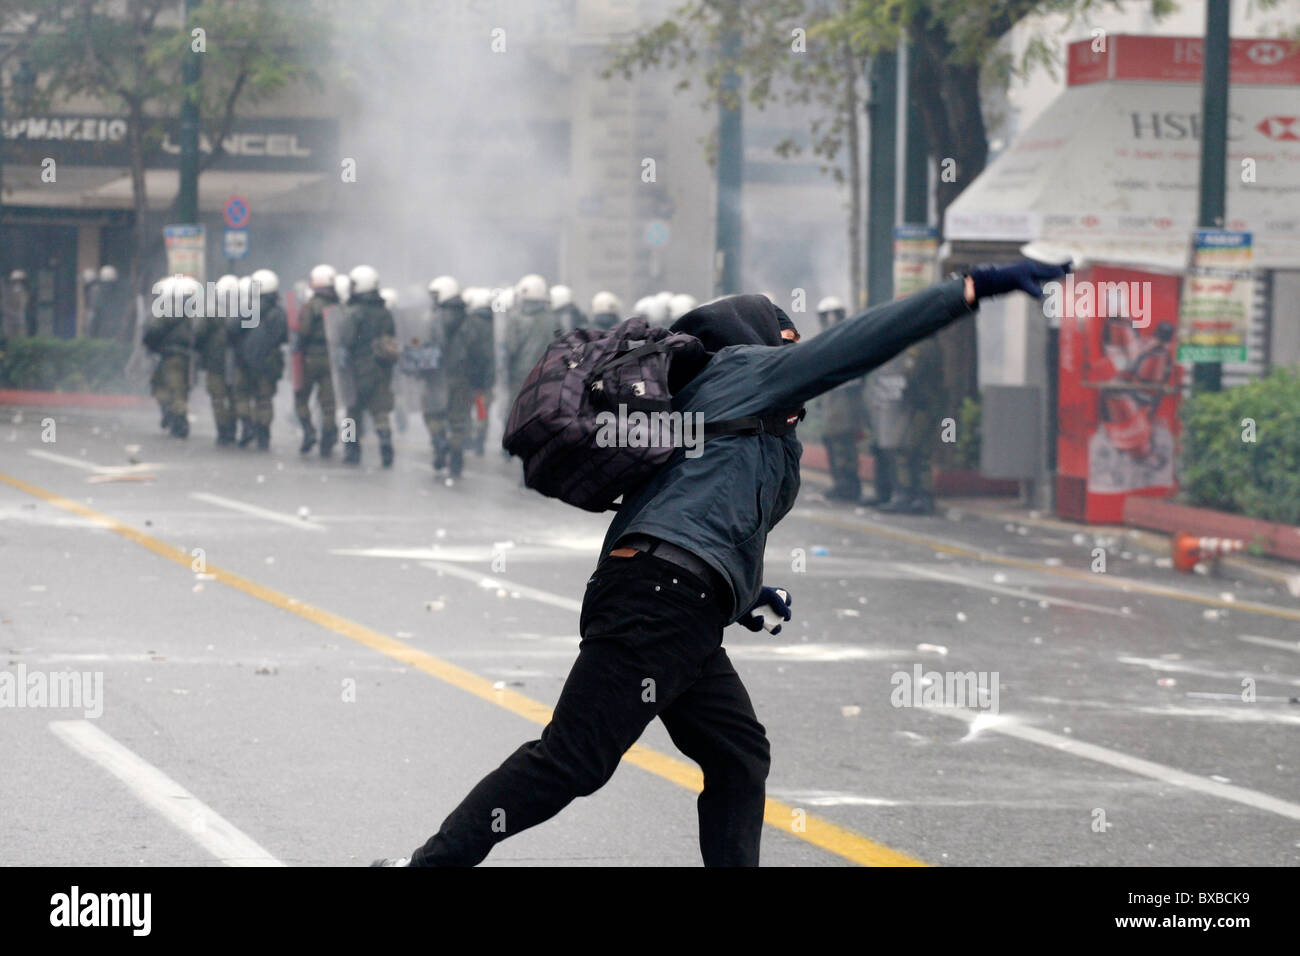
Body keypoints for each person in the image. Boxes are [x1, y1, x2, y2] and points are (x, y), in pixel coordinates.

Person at [372, 258, 1067, 868]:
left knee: (737, 754)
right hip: (658, 601)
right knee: (572, 760)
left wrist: (744, 591)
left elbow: (695, 509)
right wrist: (971, 289)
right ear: (758, 346)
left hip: (679, 602)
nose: (796, 361)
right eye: (786, 345)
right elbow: (859, 345)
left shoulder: (743, 422)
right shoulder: (741, 373)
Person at [424, 285, 494, 483]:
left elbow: (423, 347)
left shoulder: (433, 321)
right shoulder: (471, 322)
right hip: (462, 379)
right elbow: (479, 354)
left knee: (432, 414)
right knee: (459, 423)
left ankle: (439, 441)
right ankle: (456, 462)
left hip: (437, 377)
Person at [876, 335, 946, 515]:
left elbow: (910, 374)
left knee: (904, 450)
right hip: (926, 406)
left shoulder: (920, 346)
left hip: (919, 408)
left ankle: (905, 496)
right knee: (920, 453)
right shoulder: (932, 344)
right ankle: (921, 497)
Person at [340, 264, 398, 467]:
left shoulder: (354, 312)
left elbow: (346, 339)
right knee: (380, 410)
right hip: (382, 368)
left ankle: (351, 450)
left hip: (358, 368)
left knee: (352, 411)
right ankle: (385, 442)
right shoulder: (385, 312)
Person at [229, 269, 288, 451]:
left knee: (242, 395)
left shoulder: (249, 309)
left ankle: (247, 426)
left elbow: (232, 328)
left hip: (244, 361)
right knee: (264, 399)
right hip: (268, 363)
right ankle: (263, 434)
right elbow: (283, 337)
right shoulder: (279, 313)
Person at [814, 296, 866, 502]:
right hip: (831, 402)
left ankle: (848, 485)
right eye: (826, 316)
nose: (830, 320)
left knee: (844, 443)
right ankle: (841, 483)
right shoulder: (827, 340)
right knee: (833, 441)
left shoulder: (849, 340)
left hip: (845, 402)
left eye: (832, 315)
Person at [294, 264, 341, 456]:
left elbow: (303, 332)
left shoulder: (310, 306)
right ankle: (329, 439)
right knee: (329, 404)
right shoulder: (339, 306)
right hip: (333, 360)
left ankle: (308, 431)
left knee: (301, 398)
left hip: (311, 359)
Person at [143, 275, 196, 439]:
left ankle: (177, 420)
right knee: (179, 389)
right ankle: (175, 418)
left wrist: (150, 345)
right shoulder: (193, 311)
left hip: (168, 356)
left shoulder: (168, 311)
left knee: (164, 388)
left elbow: (153, 331)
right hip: (186, 356)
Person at [196, 274, 238, 446]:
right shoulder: (244, 310)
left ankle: (223, 432)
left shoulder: (209, 311)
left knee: (217, 398)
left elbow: (199, 335)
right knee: (234, 397)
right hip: (236, 363)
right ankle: (233, 429)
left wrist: (201, 354)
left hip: (215, 361)